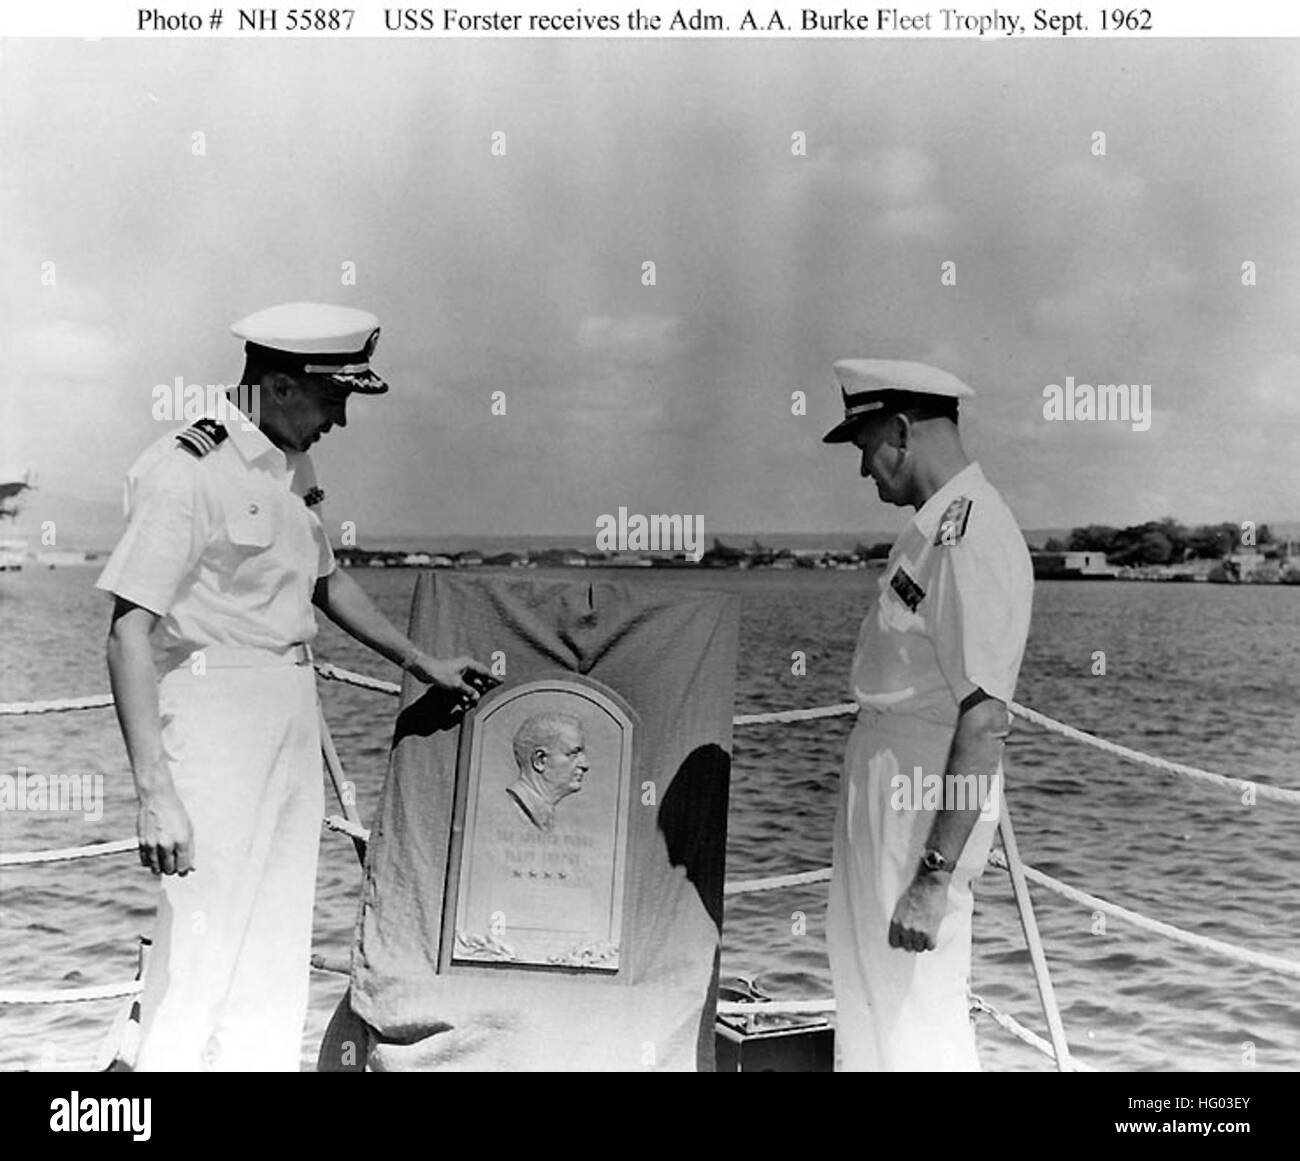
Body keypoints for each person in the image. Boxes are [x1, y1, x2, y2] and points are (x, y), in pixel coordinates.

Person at [98, 301, 495, 1071]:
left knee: (275, 951)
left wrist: (421, 661)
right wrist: (156, 792)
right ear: (280, 386)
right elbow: (127, 633)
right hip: (213, 723)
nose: (340, 420)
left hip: (289, 714)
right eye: (335, 398)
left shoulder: (289, 462)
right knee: (200, 952)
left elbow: (325, 579)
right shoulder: (186, 469)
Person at [821, 358, 1034, 1070]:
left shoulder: (971, 536)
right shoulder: (930, 530)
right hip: (886, 789)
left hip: (920, 802)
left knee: (916, 1014)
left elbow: (985, 721)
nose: (863, 474)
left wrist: (935, 875)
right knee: (869, 997)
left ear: (903, 431)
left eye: (865, 448)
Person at [505, 712, 590, 831]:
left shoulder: (546, 817)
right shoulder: (504, 812)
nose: (585, 765)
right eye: (574, 754)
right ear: (540, 760)